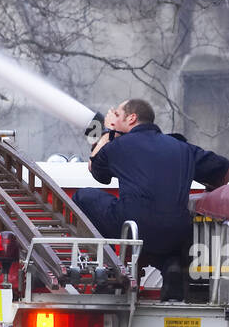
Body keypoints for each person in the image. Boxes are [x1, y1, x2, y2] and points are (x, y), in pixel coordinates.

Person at [73, 98, 229, 301]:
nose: (114, 118)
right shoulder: (182, 148)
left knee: (83, 196)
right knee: (163, 238)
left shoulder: (120, 145)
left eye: (117, 115)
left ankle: (109, 268)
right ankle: (170, 267)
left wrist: (107, 133)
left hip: (133, 227)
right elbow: (222, 170)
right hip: (177, 232)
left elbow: (96, 169)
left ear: (131, 118)